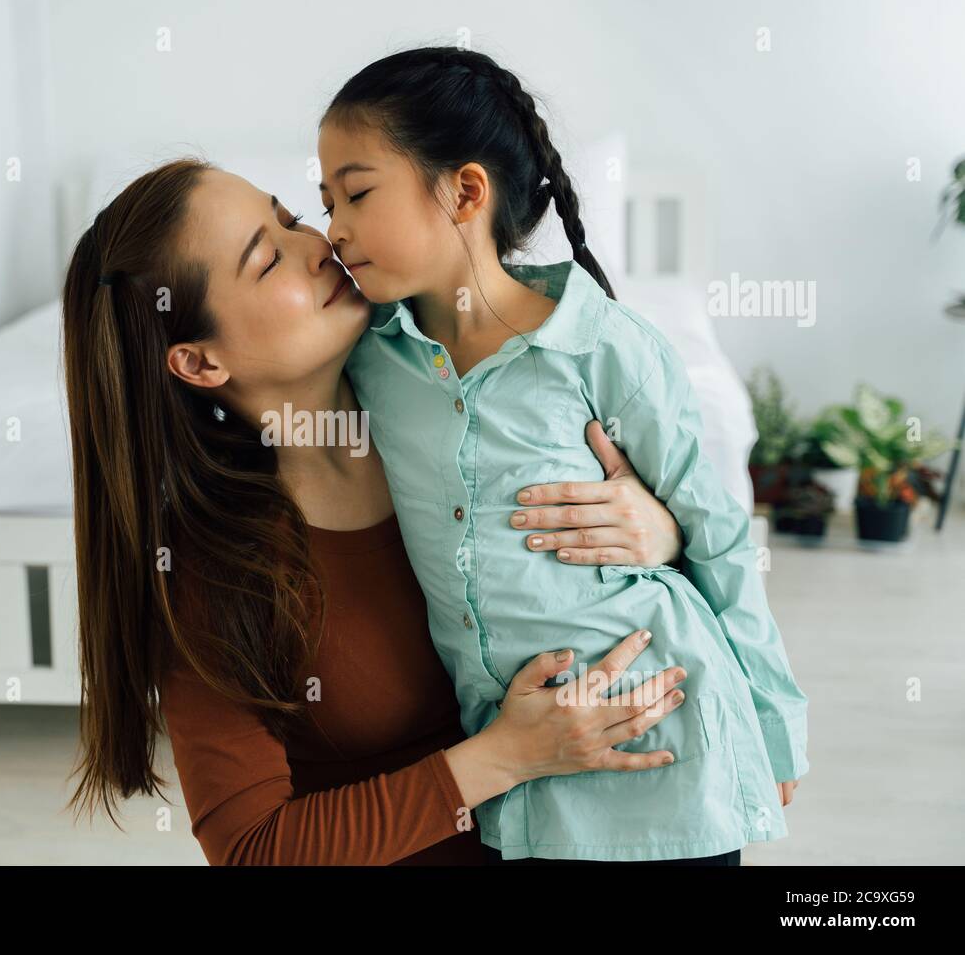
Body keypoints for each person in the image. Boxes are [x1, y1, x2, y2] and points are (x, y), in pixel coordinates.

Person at [61, 157, 692, 864]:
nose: (320, 244)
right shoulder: (215, 570)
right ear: (201, 363)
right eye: (269, 261)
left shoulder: (456, 388)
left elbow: (685, 515)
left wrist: (664, 530)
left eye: (292, 217)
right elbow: (251, 849)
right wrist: (505, 757)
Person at [317, 46, 809, 863]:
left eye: (358, 194)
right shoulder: (369, 359)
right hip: (522, 766)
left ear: (464, 191)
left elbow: (715, 528)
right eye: (325, 200)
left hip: (667, 736)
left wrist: (776, 717)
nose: (334, 228)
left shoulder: (604, 348)